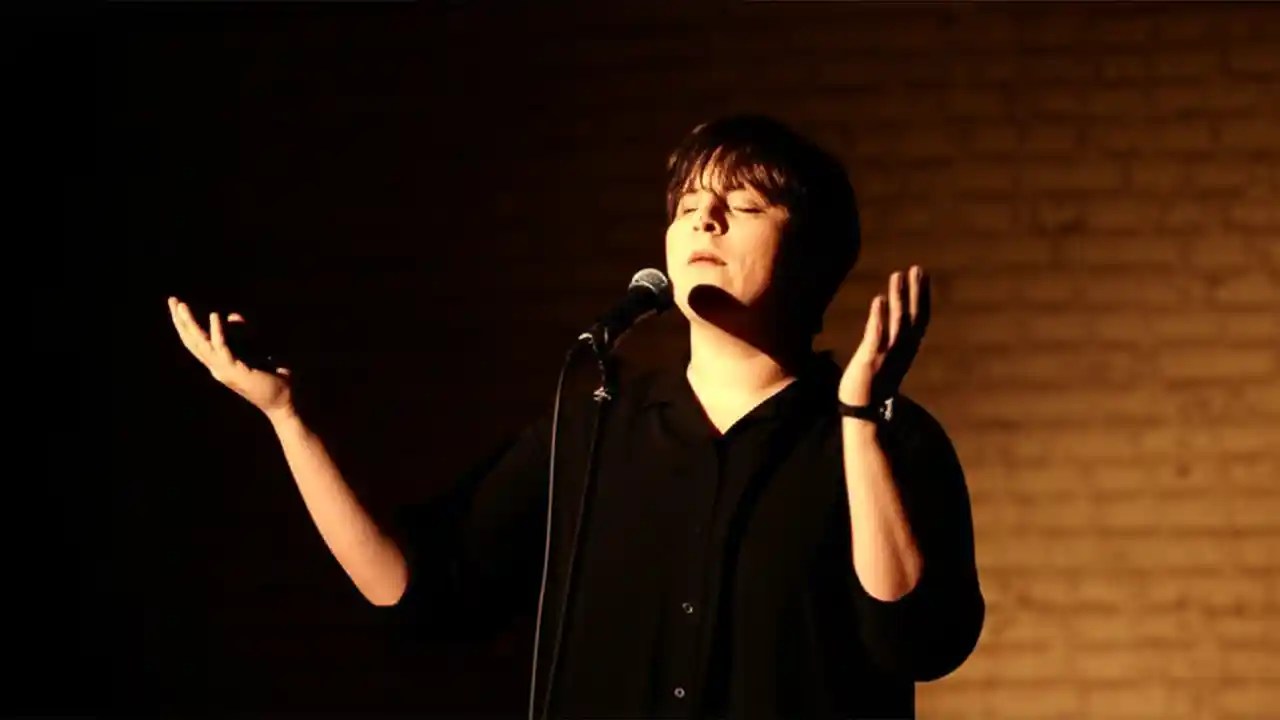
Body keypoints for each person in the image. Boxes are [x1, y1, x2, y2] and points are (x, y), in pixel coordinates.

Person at [168, 114, 984, 719]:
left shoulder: (887, 434)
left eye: (745, 204)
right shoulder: (597, 425)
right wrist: (286, 419)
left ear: (813, 256)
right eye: (691, 203)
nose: (705, 219)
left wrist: (858, 417)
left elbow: (918, 640)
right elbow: (419, 590)